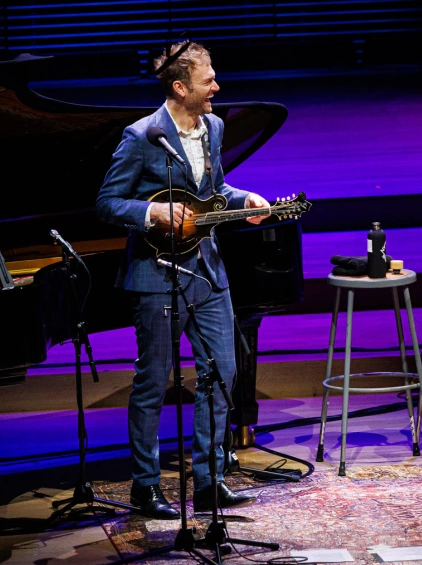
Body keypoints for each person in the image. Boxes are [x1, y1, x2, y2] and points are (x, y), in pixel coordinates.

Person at [96, 41, 269, 519]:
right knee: (153, 382)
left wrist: (245, 198)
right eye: (208, 79)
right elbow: (106, 203)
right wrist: (151, 210)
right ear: (180, 87)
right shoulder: (141, 136)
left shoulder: (213, 126)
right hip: (156, 273)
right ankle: (145, 485)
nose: (217, 86)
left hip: (209, 272)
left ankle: (210, 481)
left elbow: (213, 192)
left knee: (222, 373)